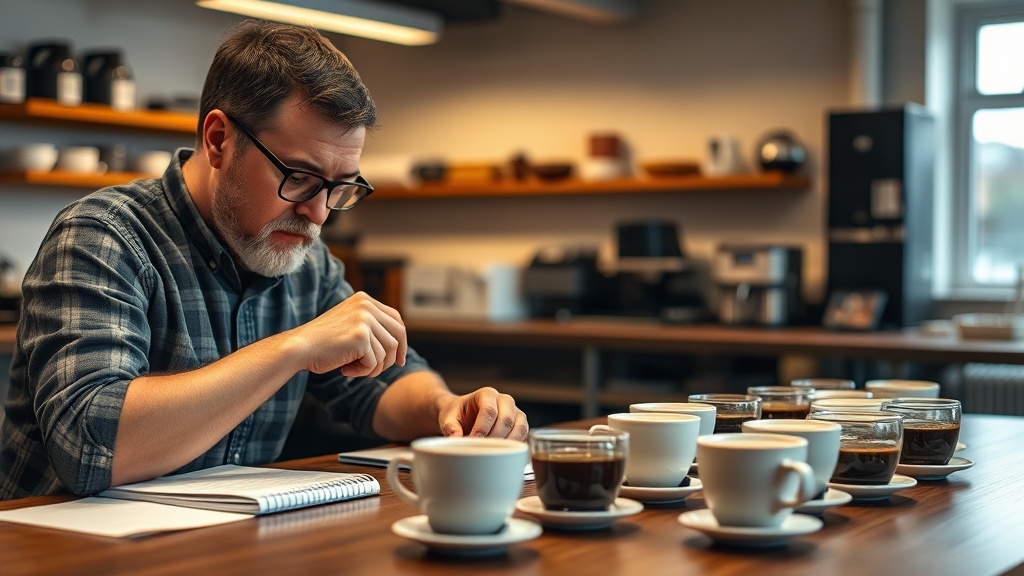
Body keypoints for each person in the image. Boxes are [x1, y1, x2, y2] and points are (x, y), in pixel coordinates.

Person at [0, 21, 528, 500]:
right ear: (218, 140)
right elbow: (91, 444)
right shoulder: (103, 237)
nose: (318, 214)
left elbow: (381, 384)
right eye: (298, 177)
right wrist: (295, 347)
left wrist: (445, 410)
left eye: (340, 188)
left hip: (218, 548)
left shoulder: (305, 259)